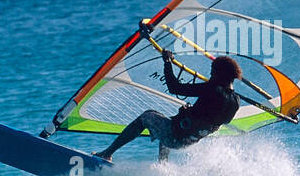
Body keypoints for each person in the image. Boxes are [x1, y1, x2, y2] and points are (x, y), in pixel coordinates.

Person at [95, 46, 241, 162]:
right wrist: (190, 113)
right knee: (165, 122)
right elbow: (210, 115)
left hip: (176, 137)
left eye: (212, 73)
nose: (210, 76)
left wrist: (167, 62)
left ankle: (107, 154)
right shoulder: (235, 101)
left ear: (219, 74)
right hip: (189, 140)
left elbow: (174, 88)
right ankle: (162, 167)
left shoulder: (212, 89)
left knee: (147, 117)